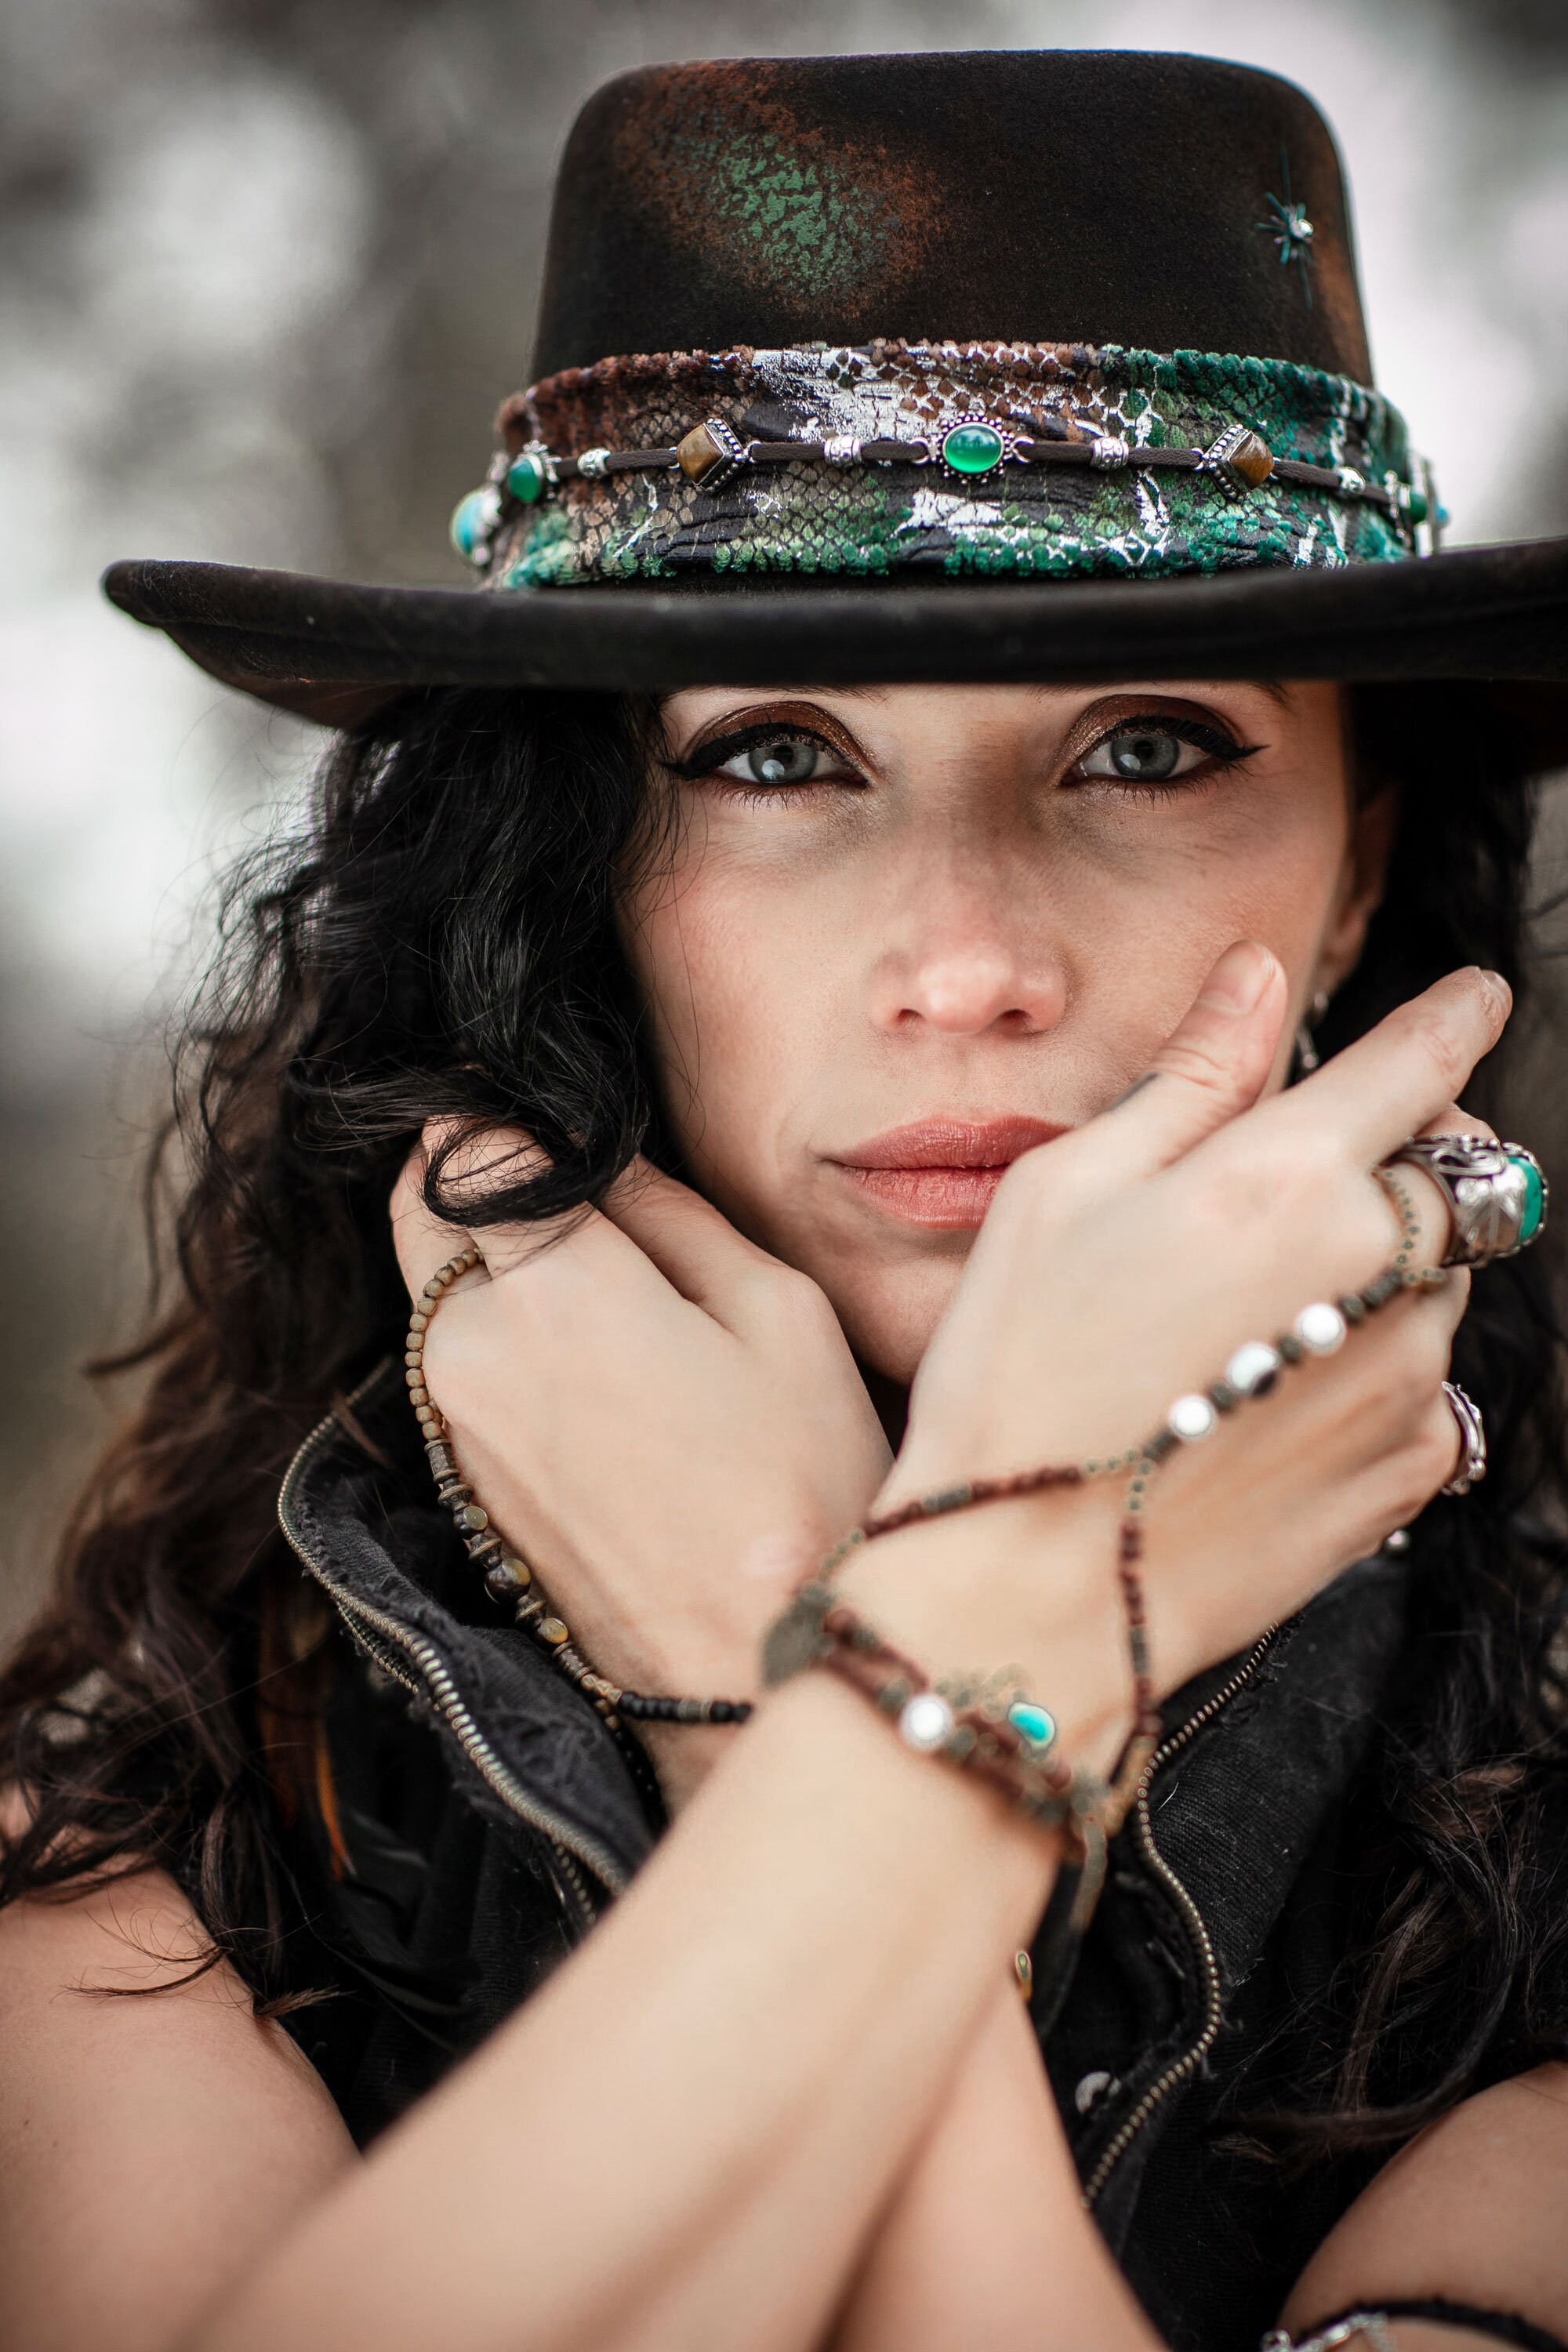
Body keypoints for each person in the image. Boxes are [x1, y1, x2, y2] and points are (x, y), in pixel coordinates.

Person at [3, 47, 1568, 2352]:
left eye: (1147, 749)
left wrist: (763, 1677)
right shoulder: (167, 1853)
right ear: (571, 887)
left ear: (1355, 882)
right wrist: (995, 1656)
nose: (970, 965)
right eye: (775, 758)